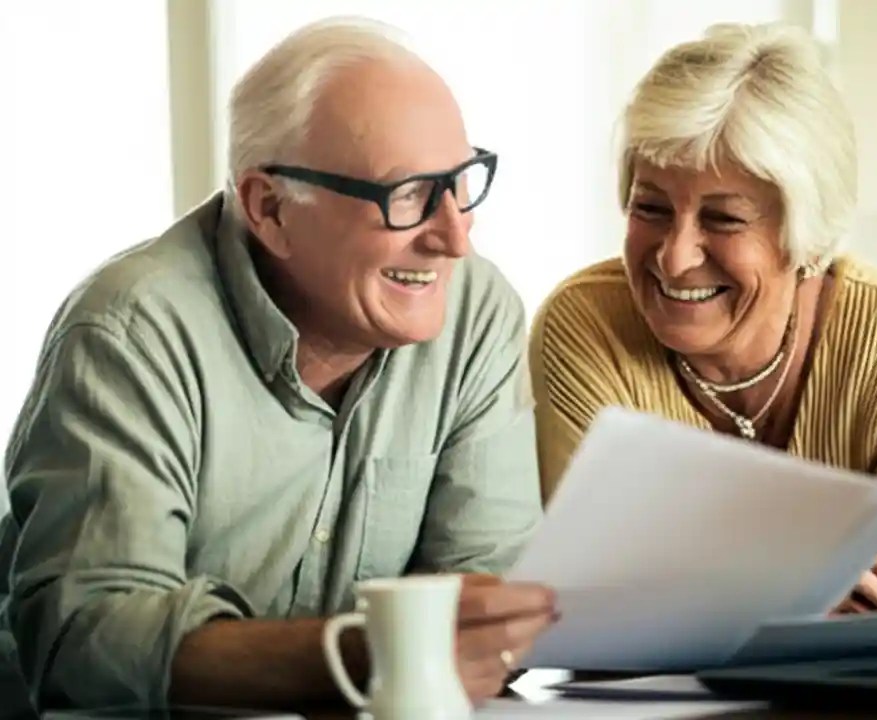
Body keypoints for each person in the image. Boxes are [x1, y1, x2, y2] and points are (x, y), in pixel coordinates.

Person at [0, 17, 555, 716]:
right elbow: (87, 640)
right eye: (408, 194)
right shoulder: (131, 330)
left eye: (460, 183)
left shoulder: (475, 313)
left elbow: (483, 611)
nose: (454, 239)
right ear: (270, 209)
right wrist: (356, 653)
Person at [530, 22, 877, 612]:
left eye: (725, 219)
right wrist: (801, 582)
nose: (675, 258)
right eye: (650, 208)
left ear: (804, 238)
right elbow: (587, 606)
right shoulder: (586, 330)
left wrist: (717, 589)